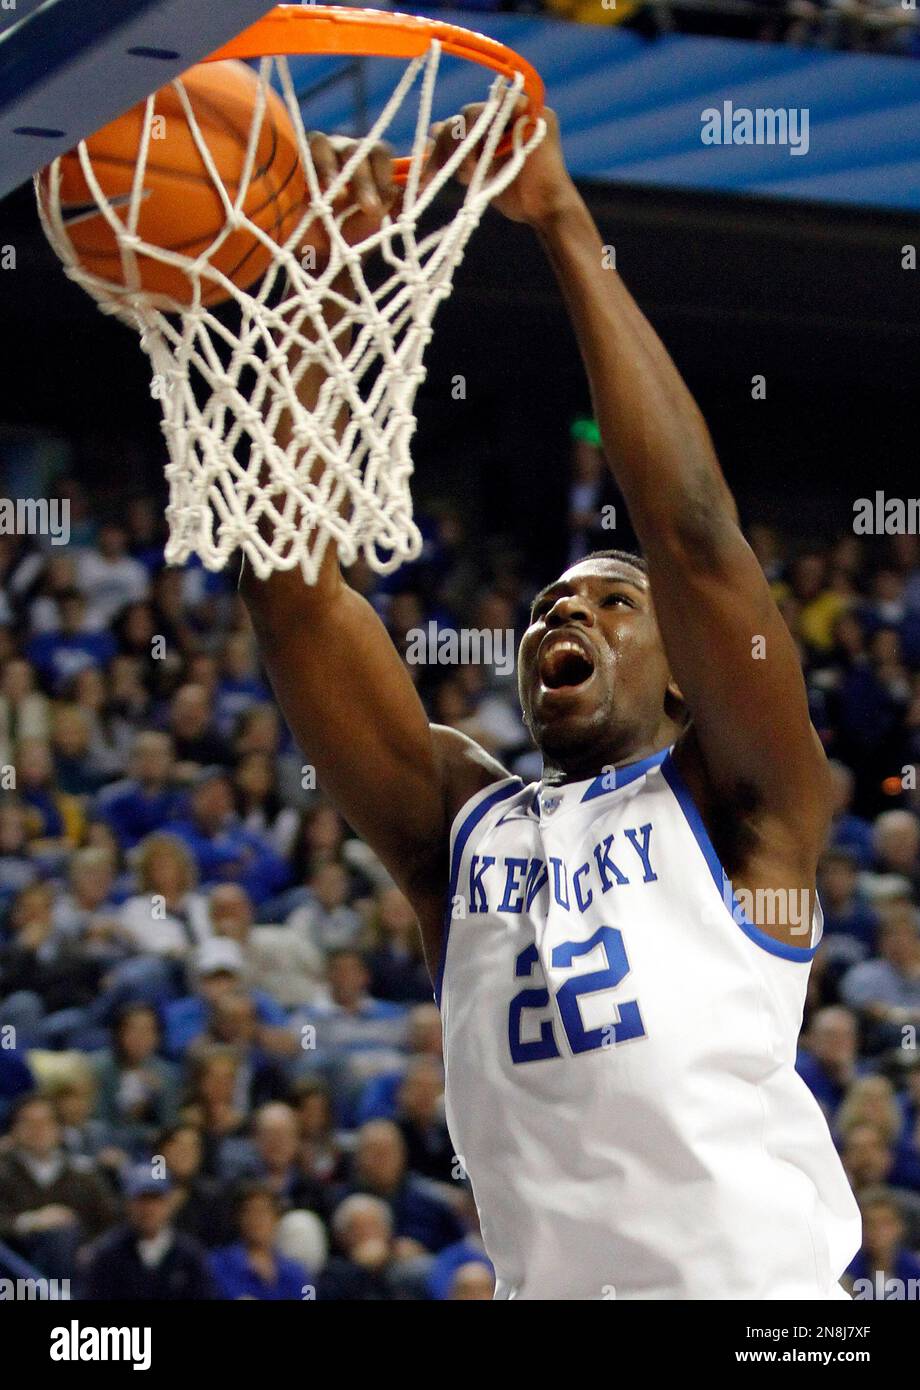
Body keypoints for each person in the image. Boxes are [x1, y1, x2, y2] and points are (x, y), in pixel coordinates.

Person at [240, 108, 861, 1298]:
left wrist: (560, 221)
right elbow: (296, 599)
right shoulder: (458, 824)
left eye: (608, 603)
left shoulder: (749, 811)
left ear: (684, 667)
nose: (557, 618)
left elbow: (688, 527)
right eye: (539, 612)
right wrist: (317, 280)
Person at [82, 1167, 214, 1300]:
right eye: (141, 1200)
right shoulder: (108, 1254)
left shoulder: (190, 1254)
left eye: (155, 1200)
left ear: (169, 1203)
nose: (148, 1209)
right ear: (127, 1204)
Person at [209, 1183, 311, 1301]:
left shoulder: (296, 1272)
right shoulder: (218, 1265)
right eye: (249, 1211)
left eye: (264, 1211)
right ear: (238, 1218)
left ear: (276, 1218)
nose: (257, 1218)